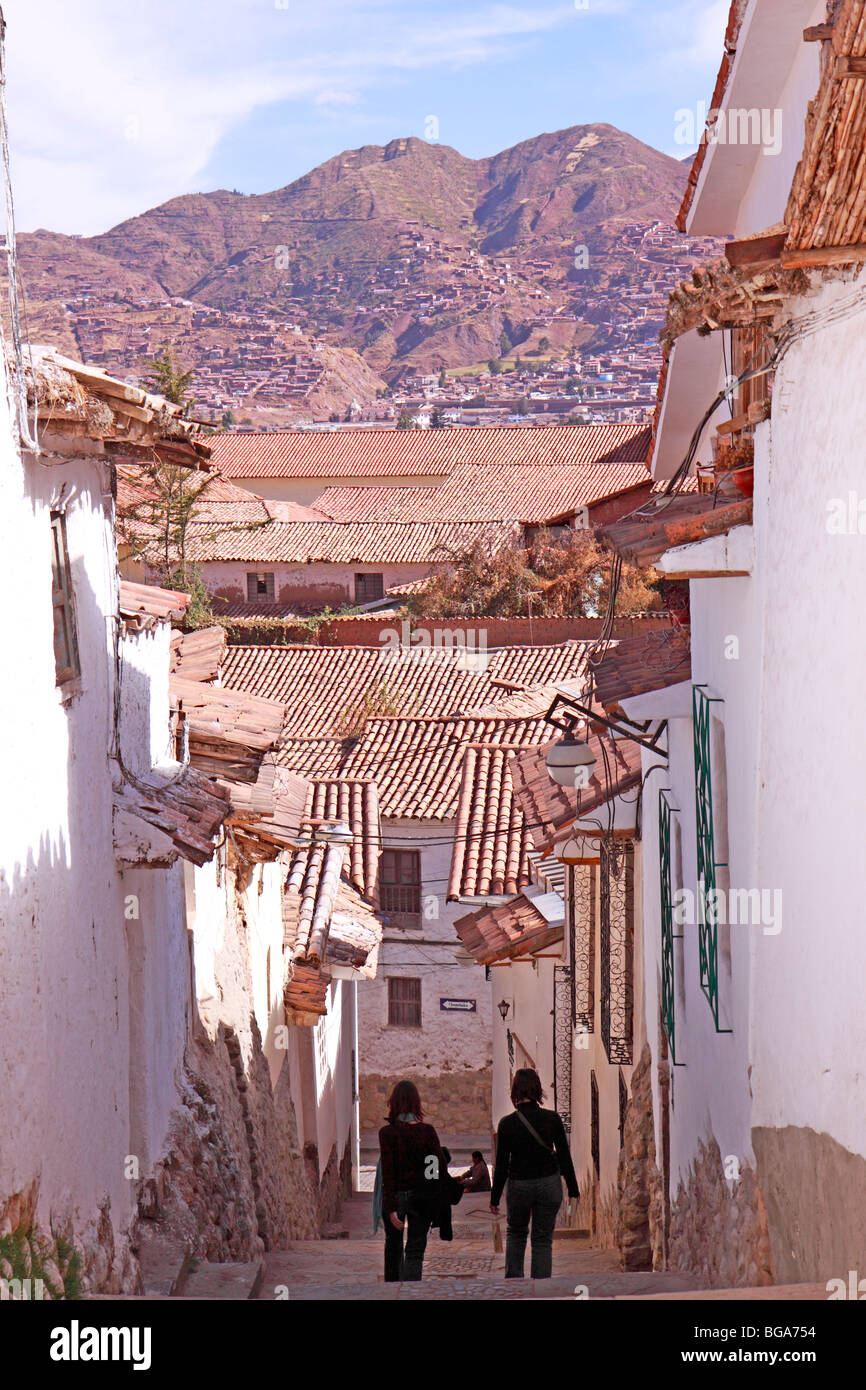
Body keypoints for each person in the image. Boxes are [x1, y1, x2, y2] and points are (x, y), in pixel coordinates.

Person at [489, 1067, 579, 1279]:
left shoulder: (507, 1124)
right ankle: (541, 1290)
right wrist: (573, 1190)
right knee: (542, 1239)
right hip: (549, 1183)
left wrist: (495, 1197)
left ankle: (514, 1287)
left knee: (516, 1234)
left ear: (515, 1092)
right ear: (537, 1089)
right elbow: (565, 1156)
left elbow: (501, 1165)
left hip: (519, 1184)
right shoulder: (552, 1119)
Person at [377, 1079, 446, 1282]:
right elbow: (436, 1168)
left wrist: (390, 1208)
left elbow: (387, 1174)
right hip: (421, 1198)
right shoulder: (428, 1132)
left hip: (396, 1197)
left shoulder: (386, 1133)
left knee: (393, 1247)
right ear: (417, 1103)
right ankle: (411, 1293)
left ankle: (393, 1292)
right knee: (415, 1250)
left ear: (393, 1103)